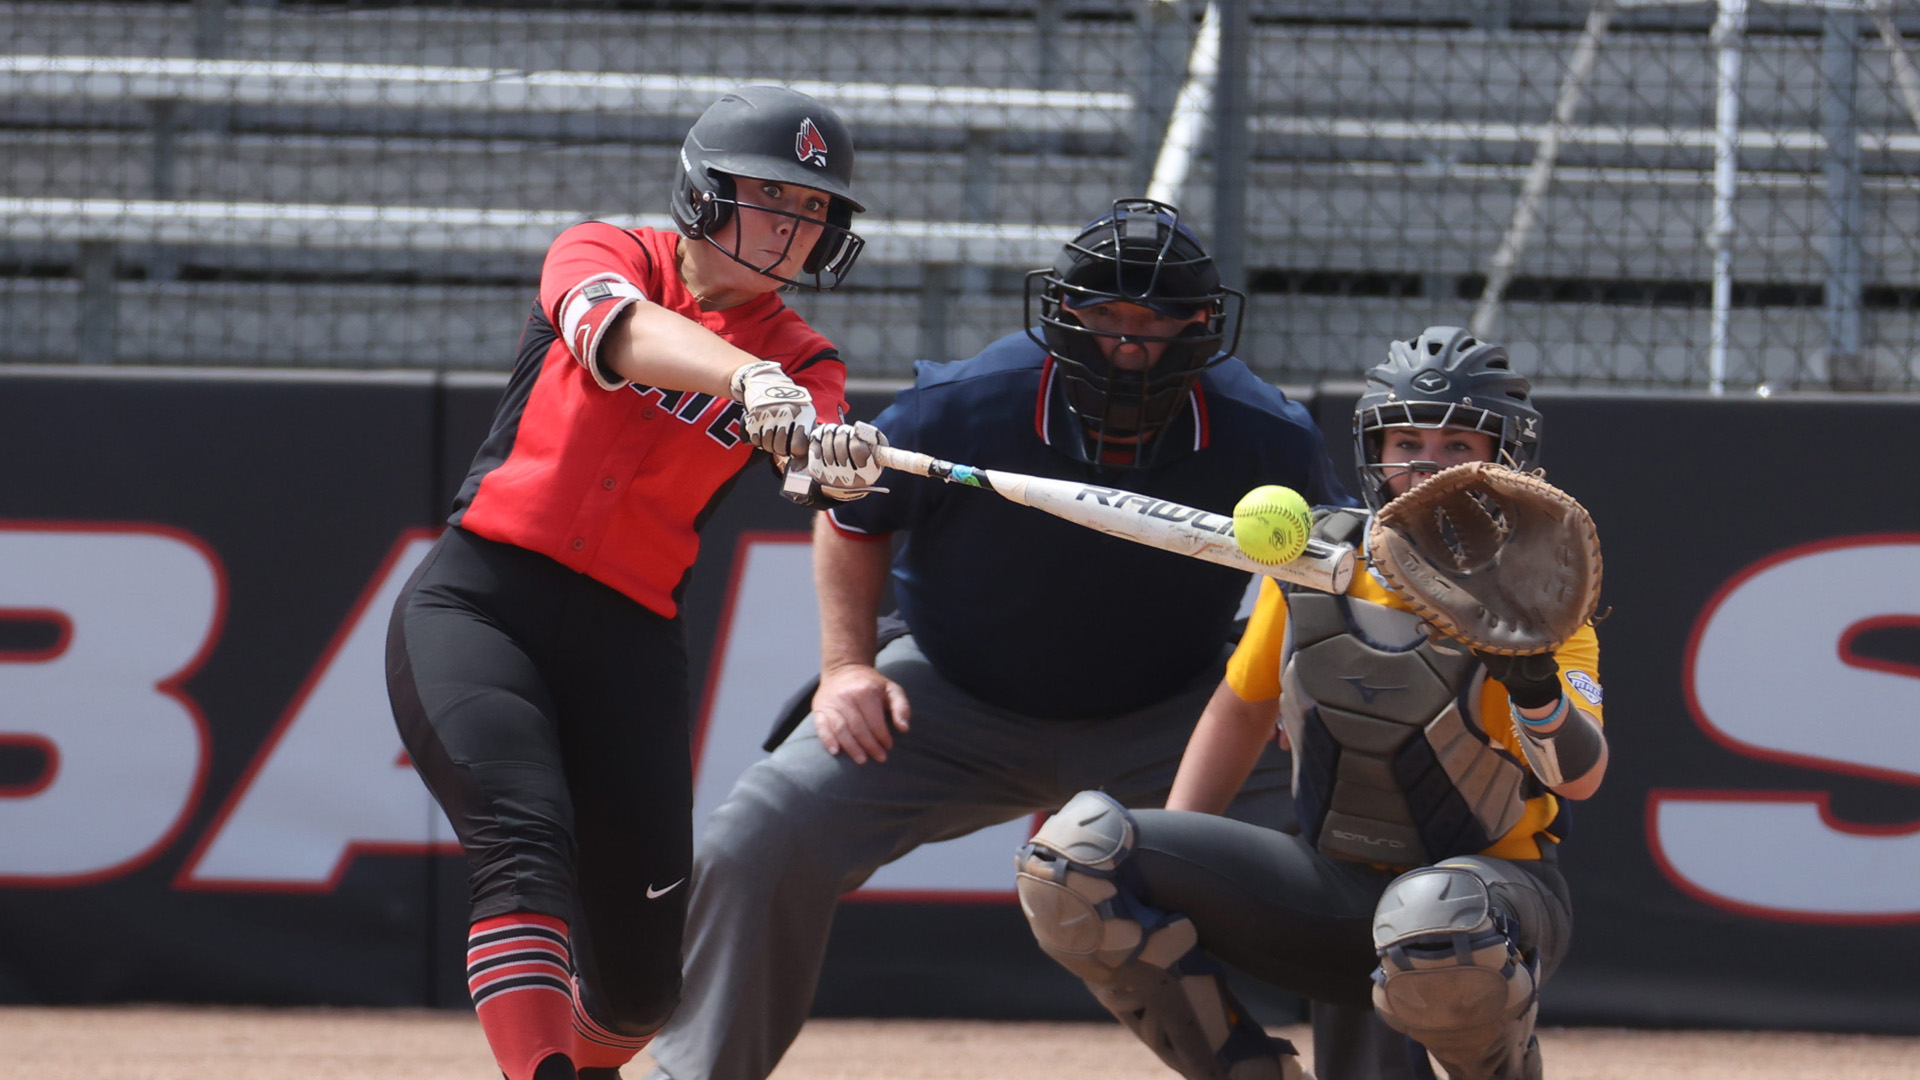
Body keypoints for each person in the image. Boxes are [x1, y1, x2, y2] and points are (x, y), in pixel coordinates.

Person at [640, 199, 1349, 1080]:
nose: (1127, 342)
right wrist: (846, 667)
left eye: (1155, 321)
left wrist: (1298, 688)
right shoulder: (967, 402)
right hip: (951, 697)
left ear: (1203, 326)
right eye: (1105, 316)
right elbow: (853, 517)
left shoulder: (1266, 431)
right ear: (1061, 311)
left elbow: (1324, 577)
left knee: (1359, 844)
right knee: (758, 836)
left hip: (1171, 714)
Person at [385, 86, 871, 1080]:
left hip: (629, 645)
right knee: (523, 842)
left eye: (813, 210)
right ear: (705, 195)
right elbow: (611, 329)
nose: (794, 228)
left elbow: (817, 470)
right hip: (483, 603)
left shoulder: (806, 358)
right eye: (773, 198)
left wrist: (842, 463)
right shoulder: (608, 250)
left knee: (645, 986)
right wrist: (741, 379)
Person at [1015, 326, 1608, 1080]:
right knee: (1079, 856)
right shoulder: (1315, 564)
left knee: (1431, 914)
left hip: (1494, 901)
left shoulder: (1538, 598)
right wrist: (1177, 861)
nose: (1427, 464)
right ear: (1375, 452)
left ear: (1504, 457)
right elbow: (1239, 710)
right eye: (1406, 442)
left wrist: (1531, 680)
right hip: (1330, 884)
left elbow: (1579, 778)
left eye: (1460, 443)